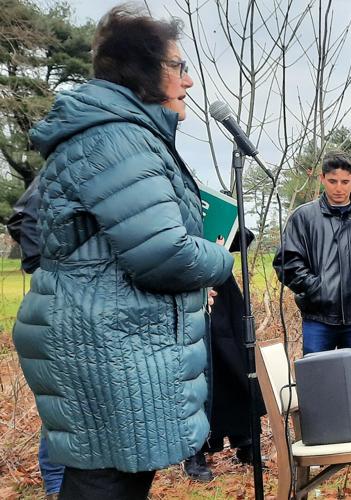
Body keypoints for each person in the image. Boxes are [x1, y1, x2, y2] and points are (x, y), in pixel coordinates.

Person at [12, 6, 235, 498]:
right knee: (105, 484)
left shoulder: (121, 134)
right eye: (178, 67)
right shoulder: (118, 139)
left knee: (113, 481)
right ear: (144, 73)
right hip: (106, 350)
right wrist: (222, 260)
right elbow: (163, 253)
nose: (189, 81)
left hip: (113, 345)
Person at [273, 152, 351, 399]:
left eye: (345, 182)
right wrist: (315, 287)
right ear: (322, 179)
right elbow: (286, 262)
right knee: (316, 383)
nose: (339, 188)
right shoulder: (304, 216)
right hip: (318, 318)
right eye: (333, 181)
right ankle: (321, 435)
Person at [183, 229, 267, 481]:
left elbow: (245, 238)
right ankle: (194, 450)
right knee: (197, 373)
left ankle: (246, 439)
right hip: (188, 290)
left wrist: (225, 234)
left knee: (236, 367)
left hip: (224, 298)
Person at [8, 181, 65, 498]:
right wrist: (44, 263)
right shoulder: (65, 165)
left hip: (64, 303)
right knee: (61, 403)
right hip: (56, 307)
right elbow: (21, 217)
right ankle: (56, 484)